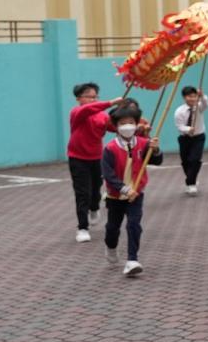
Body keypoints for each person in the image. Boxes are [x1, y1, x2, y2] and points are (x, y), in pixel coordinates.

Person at [101, 100, 163, 277]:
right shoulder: (110, 148)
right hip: (116, 196)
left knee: (134, 225)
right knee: (112, 228)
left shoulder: (144, 143)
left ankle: (132, 260)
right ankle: (111, 247)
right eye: (122, 123)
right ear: (116, 126)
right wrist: (124, 189)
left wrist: (155, 150)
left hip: (137, 193)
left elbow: (156, 161)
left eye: (131, 122)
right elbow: (108, 175)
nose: (127, 126)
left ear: (136, 124)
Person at [67, 82, 122, 243]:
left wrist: (132, 124)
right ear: (79, 98)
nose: (93, 99)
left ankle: (94, 207)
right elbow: (88, 109)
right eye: (89, 96)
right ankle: (82, 228)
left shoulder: (102, 115)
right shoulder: (77, 112)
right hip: (77, 157)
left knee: (96, 189)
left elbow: (114, 127)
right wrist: (110, 102)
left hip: (97, 157)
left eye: (95, 96)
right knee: (82, 192)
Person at [174, 85, 208, 195]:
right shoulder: (179, 111)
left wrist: (202, 96)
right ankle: (191, 178)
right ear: (184, 97)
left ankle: (191, 183)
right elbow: (179, 126)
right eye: (189, 96)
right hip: (184, 138)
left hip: (198, 137)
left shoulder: (199, 107)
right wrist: (188, 129)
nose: (192, 99)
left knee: (195, 159)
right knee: (185, 162)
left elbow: (206, 104)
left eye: (194, 96)